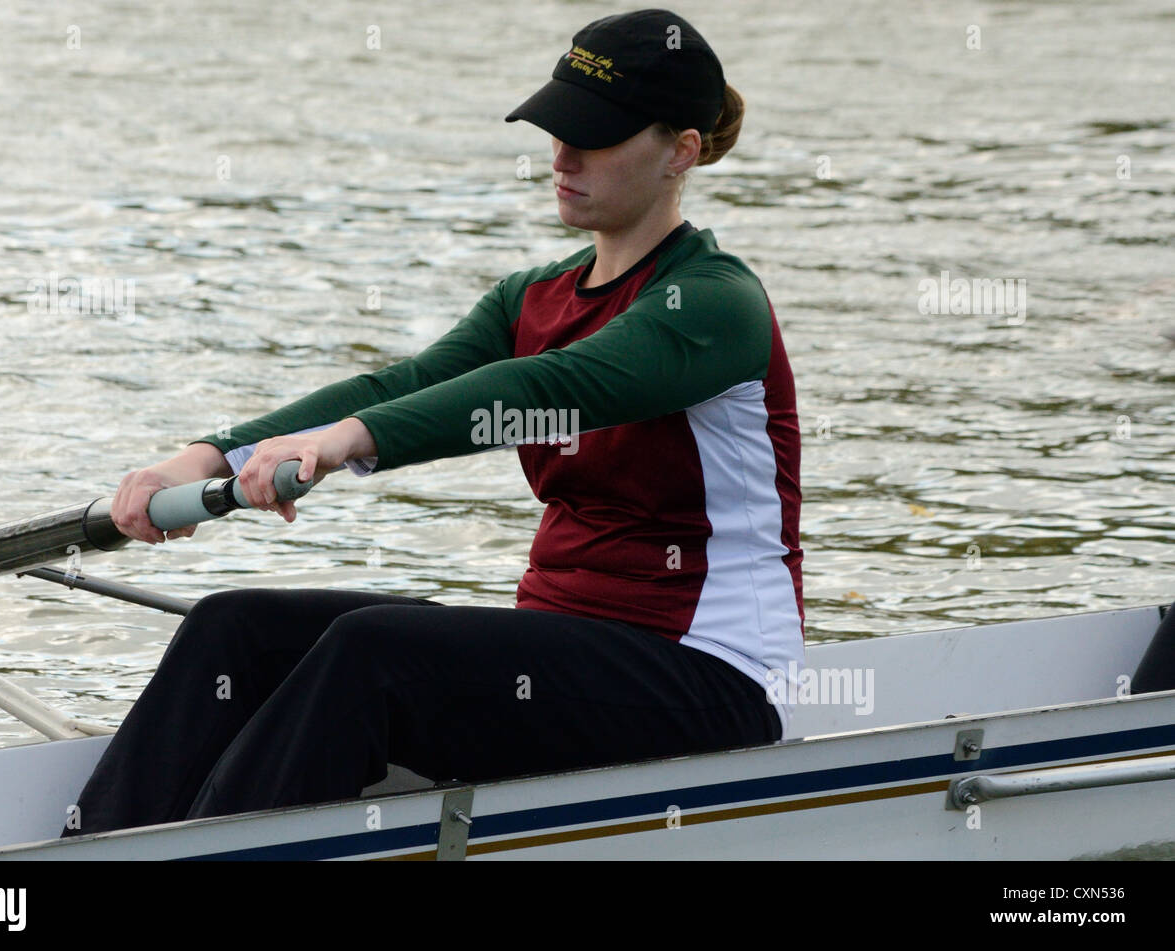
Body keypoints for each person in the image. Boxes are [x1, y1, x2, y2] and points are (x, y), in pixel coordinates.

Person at [62, 8, 804, 838]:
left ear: (682, 151)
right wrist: (192, 462)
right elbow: (401, 381)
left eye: (595, 135)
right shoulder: (533, 297)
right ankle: (96, 851)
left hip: (712, 682)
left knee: (373, 653)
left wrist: (347, 445)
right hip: (567, 649)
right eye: (558, 128)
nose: (562, 156)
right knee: (234, 627)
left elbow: (551, 386)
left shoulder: (714, 304)